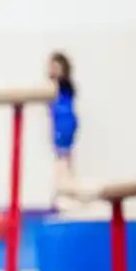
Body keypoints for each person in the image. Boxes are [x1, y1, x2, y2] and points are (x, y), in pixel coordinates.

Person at [48, 51, 78, 205]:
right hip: (58, 124)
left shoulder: (65, 86)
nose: (52, 70)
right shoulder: (51, 86)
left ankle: (66, 195)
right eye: (51, 67)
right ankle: (64, 193)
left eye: (56, 67)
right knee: (62, 161)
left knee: (64, 160)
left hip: (65, 124)